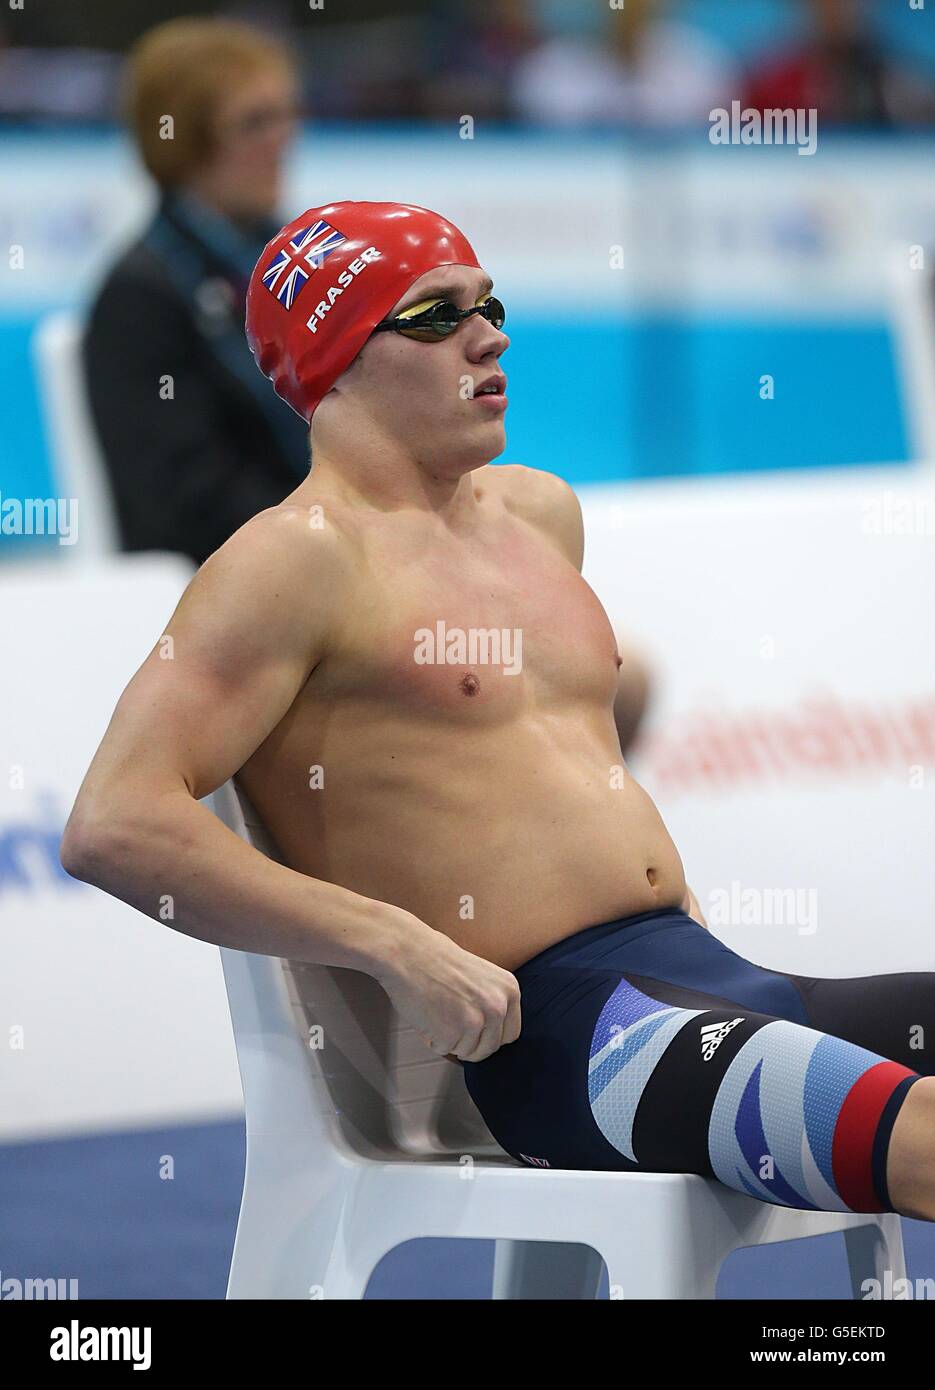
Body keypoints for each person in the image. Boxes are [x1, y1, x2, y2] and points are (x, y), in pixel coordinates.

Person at [61, 201, 935, 1221]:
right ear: (336, 360)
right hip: (572, 1044)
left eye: (488, 305)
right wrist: (394, 942)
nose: (490, 335)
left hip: (721, 982)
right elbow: (113, 822)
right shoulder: (290, 563)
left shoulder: (537, 512)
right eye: (436, 315)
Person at [82, 18, 310, 567]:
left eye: (287, 114)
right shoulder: (140, 298)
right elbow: (183, 506)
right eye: (255, 121)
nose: (284, 139)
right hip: (234, 588)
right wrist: (346, 535)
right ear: (184, 141)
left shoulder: (291, 258)